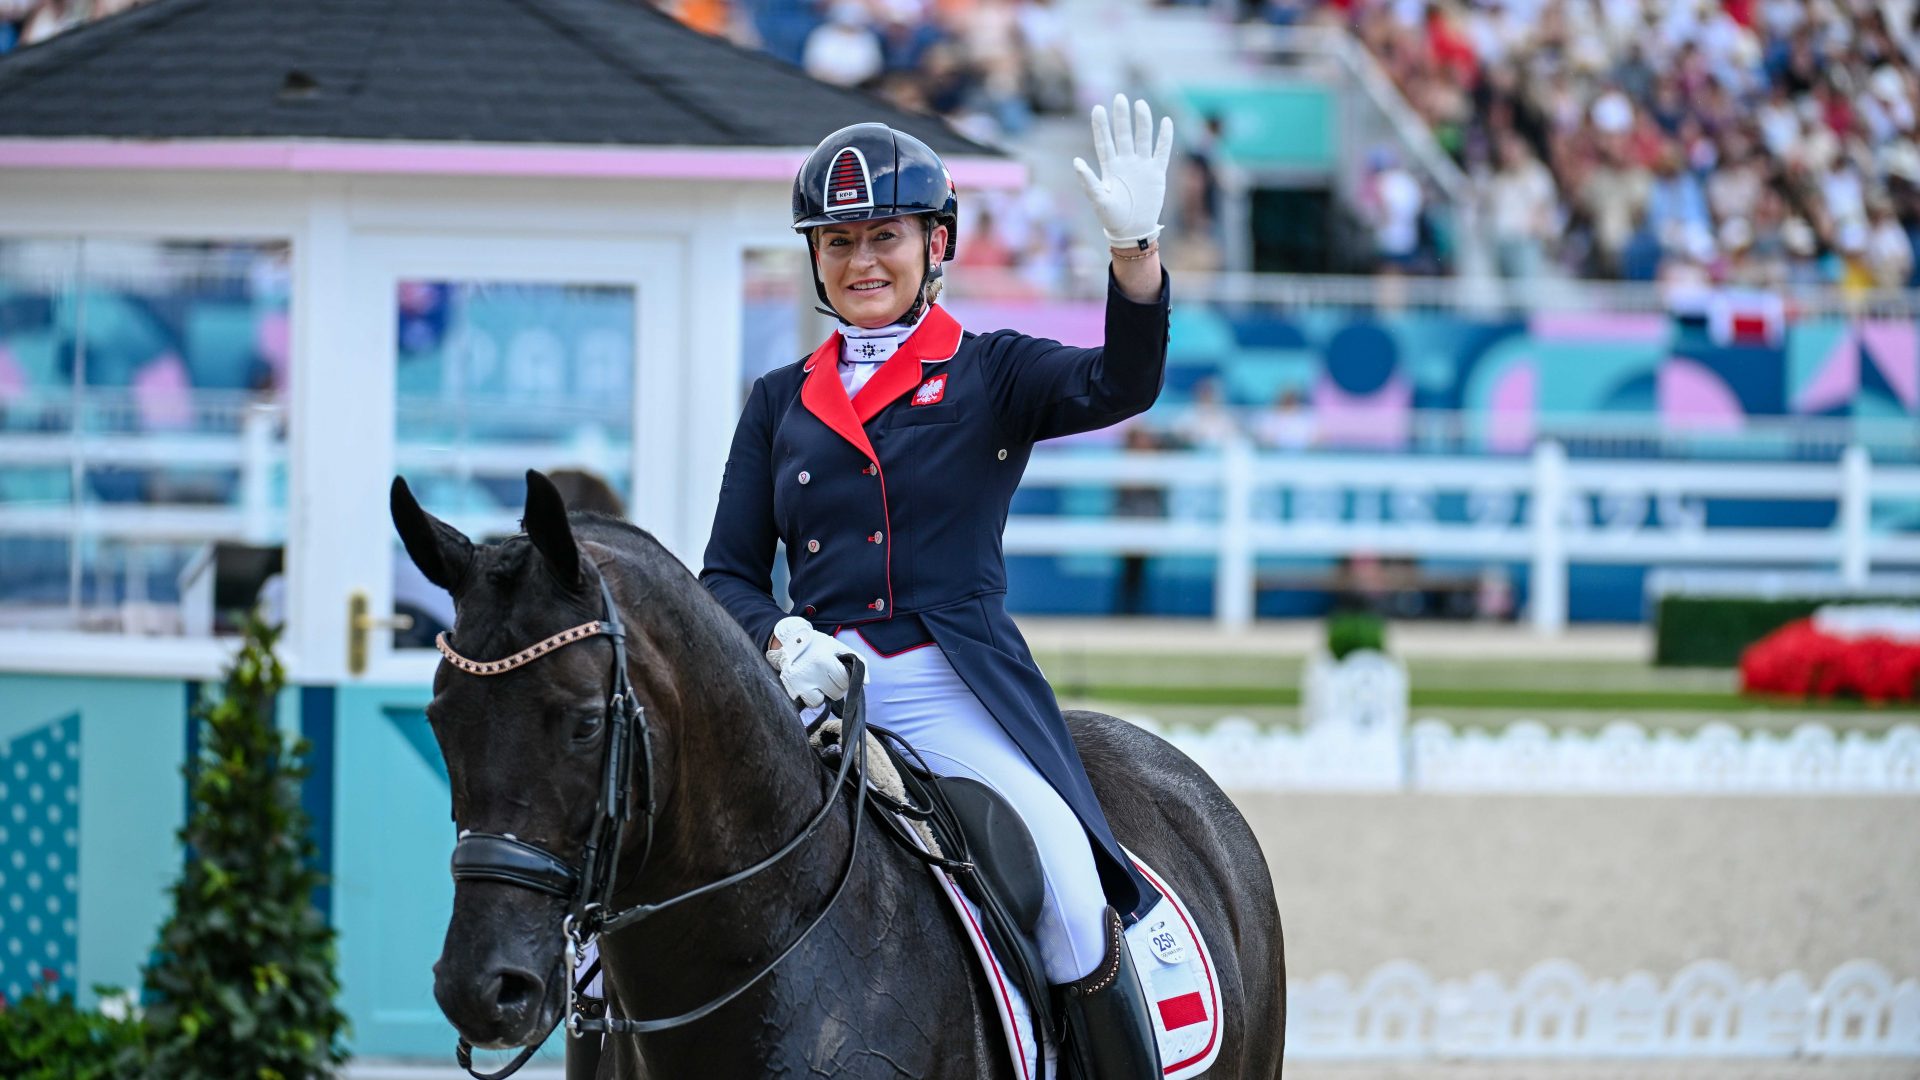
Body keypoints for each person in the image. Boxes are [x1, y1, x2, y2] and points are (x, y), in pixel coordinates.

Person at [700, 98, 1173, 1078]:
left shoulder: (989, 372)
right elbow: (729, 575)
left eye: (885, 236)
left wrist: (1134, 257)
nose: (861, 261)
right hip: (811, 691)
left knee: (1071, 898)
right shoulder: (778, 400)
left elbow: (1120, 384)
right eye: (838, 242)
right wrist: (781, 637)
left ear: (936, 244)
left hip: (946, 691)